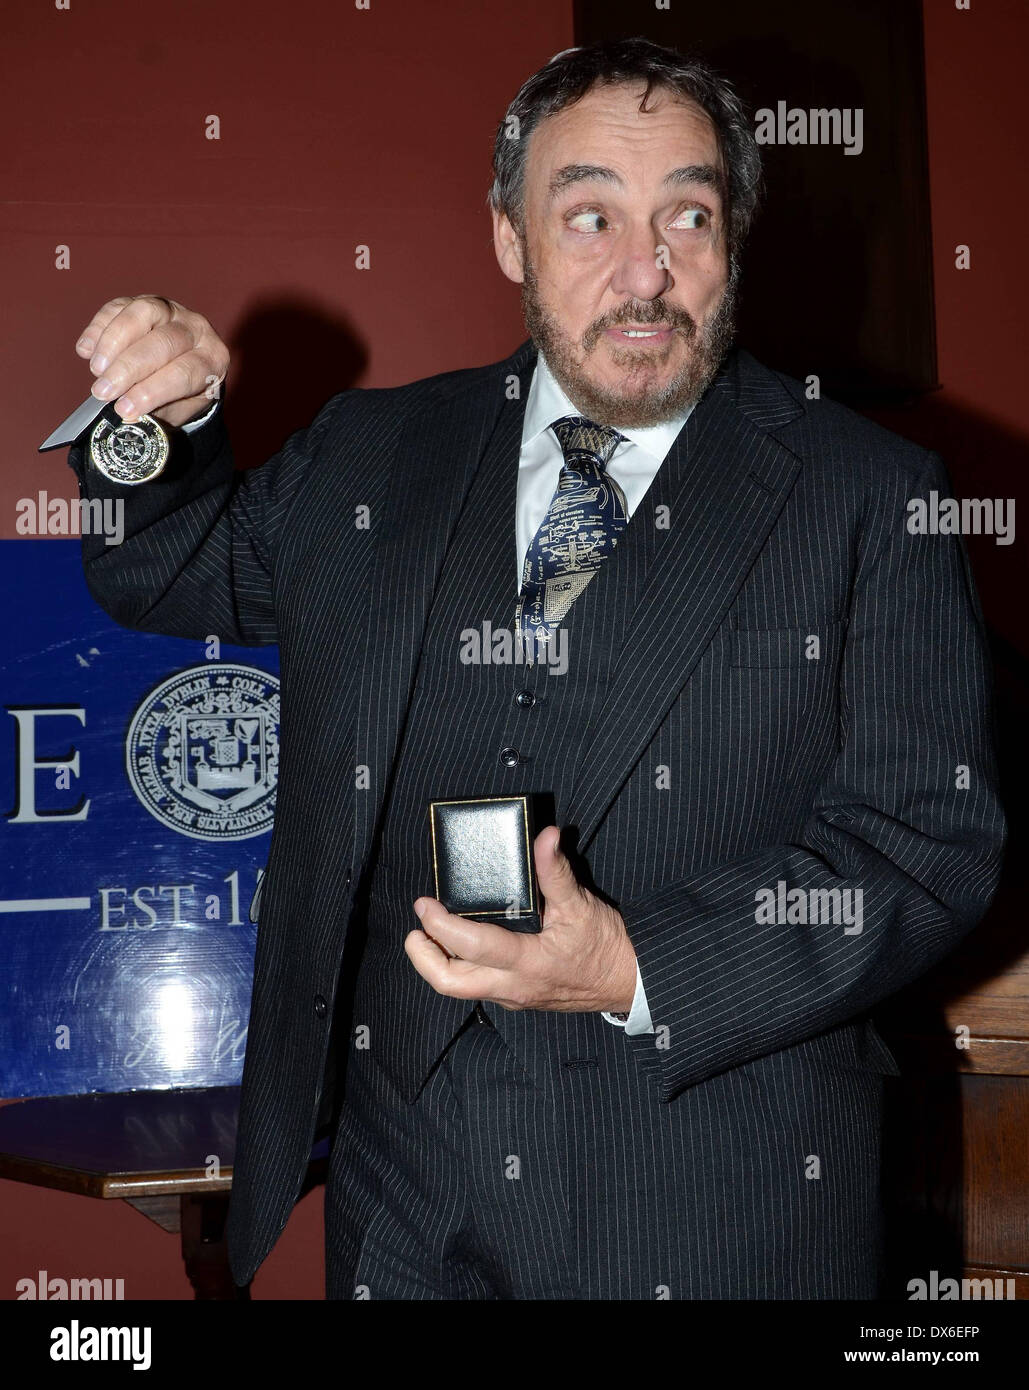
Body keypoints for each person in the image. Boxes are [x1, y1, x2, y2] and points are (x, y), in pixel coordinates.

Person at [64, 37, 1005, 1299]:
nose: (645, 272)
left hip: (714, 1209)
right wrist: (158, 432)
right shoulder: (370, 452)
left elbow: (924, 842)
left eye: (689, 212)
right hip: (398, 1200)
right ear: (509, 236)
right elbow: (164, 570)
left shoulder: (871, 496)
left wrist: (633, 967)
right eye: (590, 216)